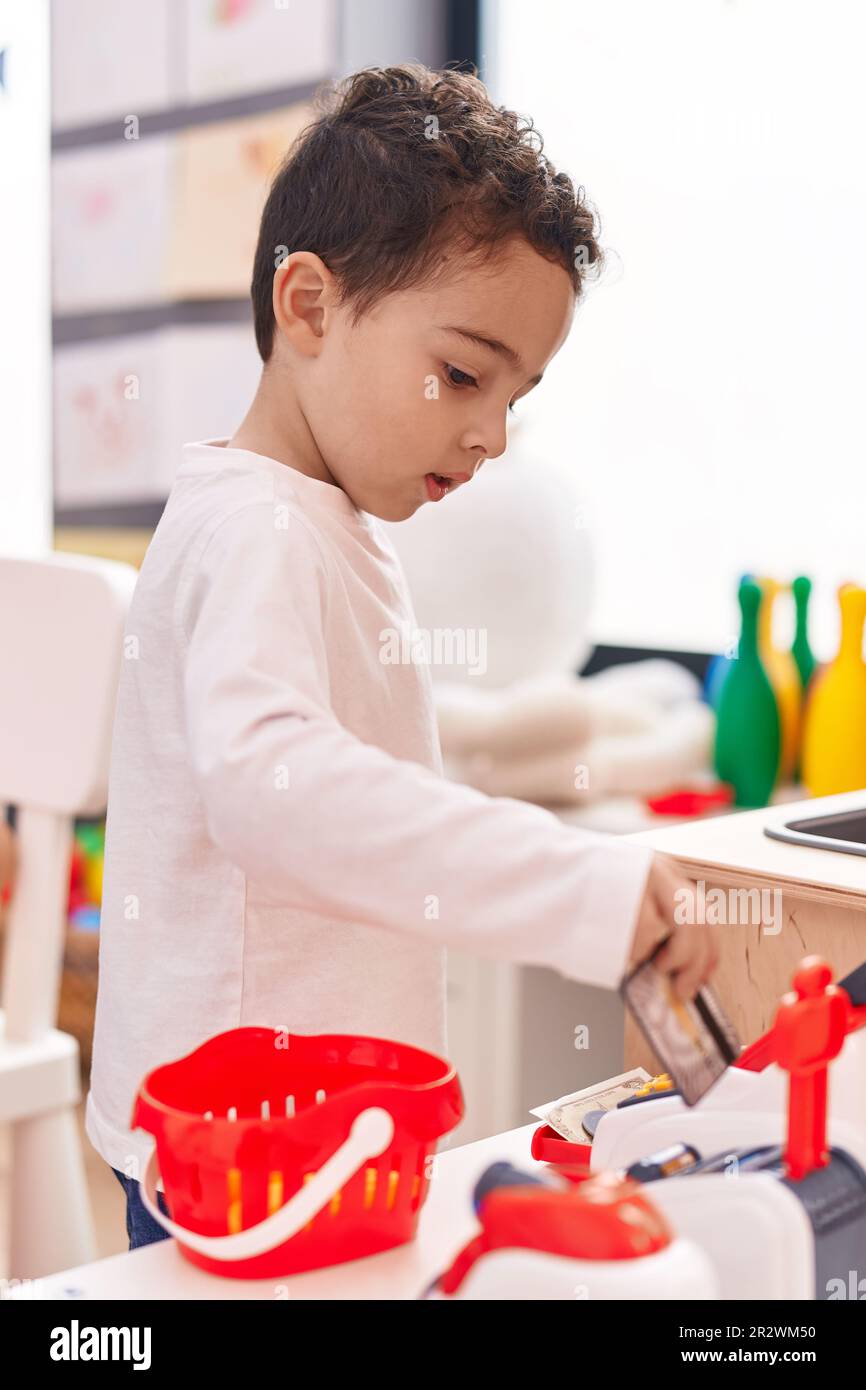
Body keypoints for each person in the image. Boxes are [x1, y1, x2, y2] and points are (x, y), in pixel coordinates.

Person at [86, 64, 719, 1248]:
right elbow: (277, 792)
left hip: (311, 1157)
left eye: (514, 397)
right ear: (311, 306)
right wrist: (579, 887)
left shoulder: (315, 522)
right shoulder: (259, 529)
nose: (488, 434)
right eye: (465, 373)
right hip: (246, 1175)